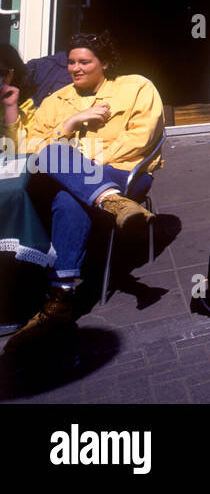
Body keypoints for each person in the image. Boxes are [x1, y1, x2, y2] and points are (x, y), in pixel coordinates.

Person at [5, 34, 165, 351]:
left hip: (125, 171)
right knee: (62, 181)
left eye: (84, 62)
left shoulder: (137, 87)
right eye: (71, 62)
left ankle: (56, 303)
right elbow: (29, 148)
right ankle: (110, 206)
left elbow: (143, 137)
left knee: (67, 178)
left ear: (104, 63)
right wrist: (70, 124)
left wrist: (83, 167)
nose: (75, 69)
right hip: (82, 180)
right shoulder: (56, 101)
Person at [1, 44, 38, 149]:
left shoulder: (25, 106)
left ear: (14, 74)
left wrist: (10, 107)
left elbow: (14, 150)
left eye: (2, 72)